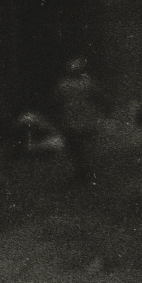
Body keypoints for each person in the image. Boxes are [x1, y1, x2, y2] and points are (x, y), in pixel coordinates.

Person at [54, 57, 107, 187]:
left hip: (71, 120)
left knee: (75, 149)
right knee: (85, 148)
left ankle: (81, 171)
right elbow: (100, 96)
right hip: (86, 120)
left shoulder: (63, 85)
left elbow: (55, 100)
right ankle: (85, 171)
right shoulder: (87, 83)